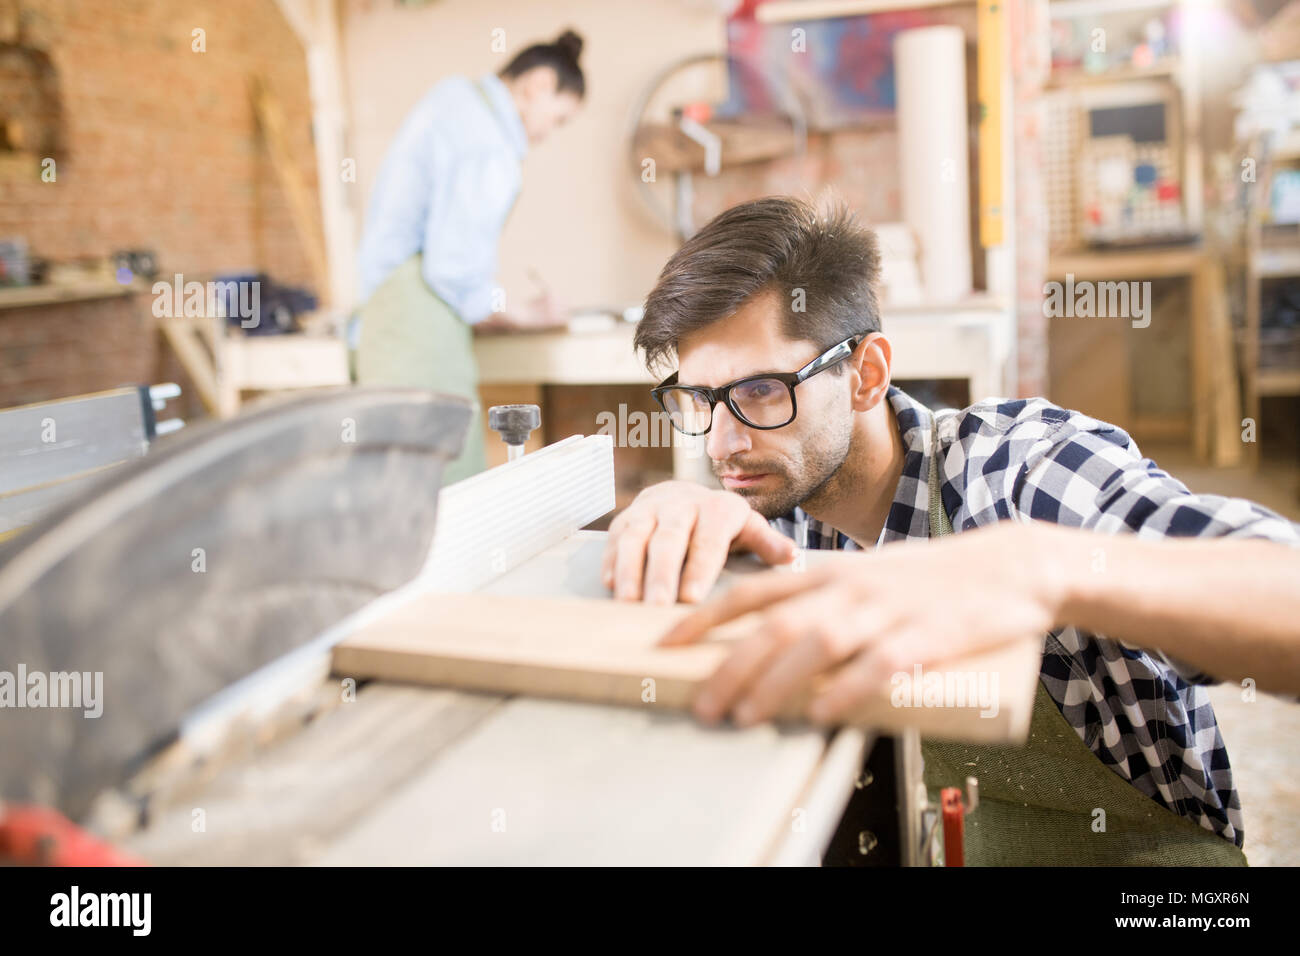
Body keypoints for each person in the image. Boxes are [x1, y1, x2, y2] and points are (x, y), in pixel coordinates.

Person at [603, 195, 1300, 865]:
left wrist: (1040, 566)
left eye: (759, 391)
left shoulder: (1019, 470)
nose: (722, 444)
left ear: (865, 374)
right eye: (700, 399)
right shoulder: (786, 509)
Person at [354, 30, 586, 482]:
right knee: (443, 486)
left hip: (391, 314)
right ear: (537, 85)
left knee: (400, 479)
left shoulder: (455, 102)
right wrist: (518, 313)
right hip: (415, 321)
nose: (546, 135)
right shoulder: (486, 138)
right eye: (557, 120)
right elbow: (453, 269)